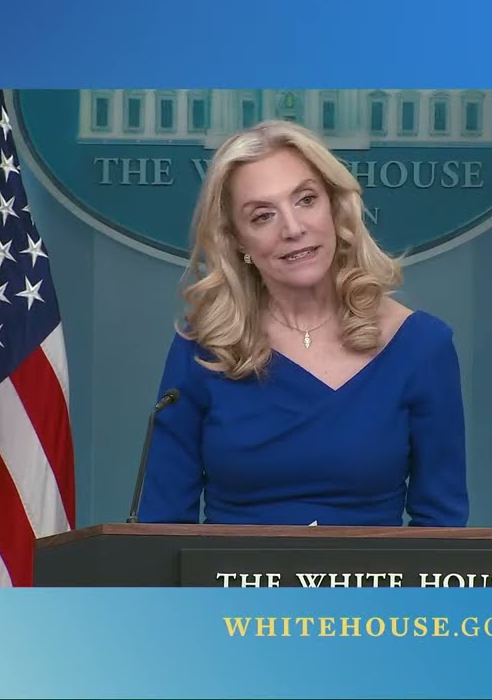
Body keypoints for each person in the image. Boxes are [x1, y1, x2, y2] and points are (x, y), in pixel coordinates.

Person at [136, 120, 469, 526]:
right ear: (237, 240)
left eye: (306, 200)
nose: (293, 229)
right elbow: (162, 524)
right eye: (263, 216)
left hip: (373, 570)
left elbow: (441, 526)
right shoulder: (203, 349)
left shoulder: (422, 346)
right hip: (228, 569)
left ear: (335, 207)